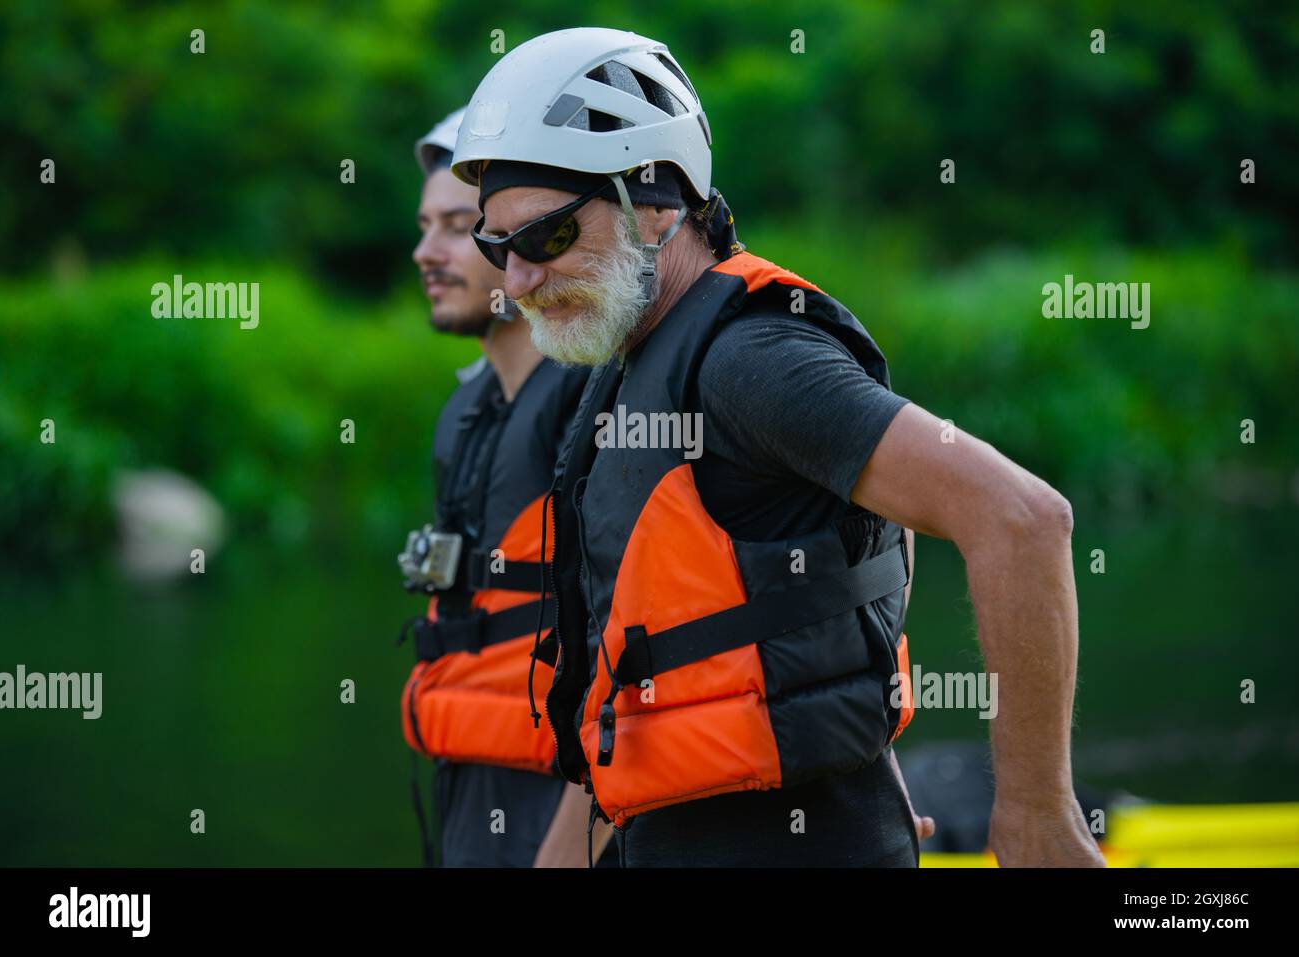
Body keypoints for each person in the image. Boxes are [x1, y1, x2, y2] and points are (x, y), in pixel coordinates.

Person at [451, 28, 1104, 867]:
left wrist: (1037, 814)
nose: (516, 282)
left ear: (654, 206)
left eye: (544, 239)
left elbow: (1019, 518)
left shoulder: (752, 361)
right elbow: (847, 561)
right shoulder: (624, 371)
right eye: (495, 248)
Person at [398, 106, 597, 867]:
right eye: (424, 226)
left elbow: (631, 661)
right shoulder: (467, 411)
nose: (425, 251)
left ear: (516, 230)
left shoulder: (599, 401)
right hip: (473, 793)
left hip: (569, 822)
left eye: (454, 227)